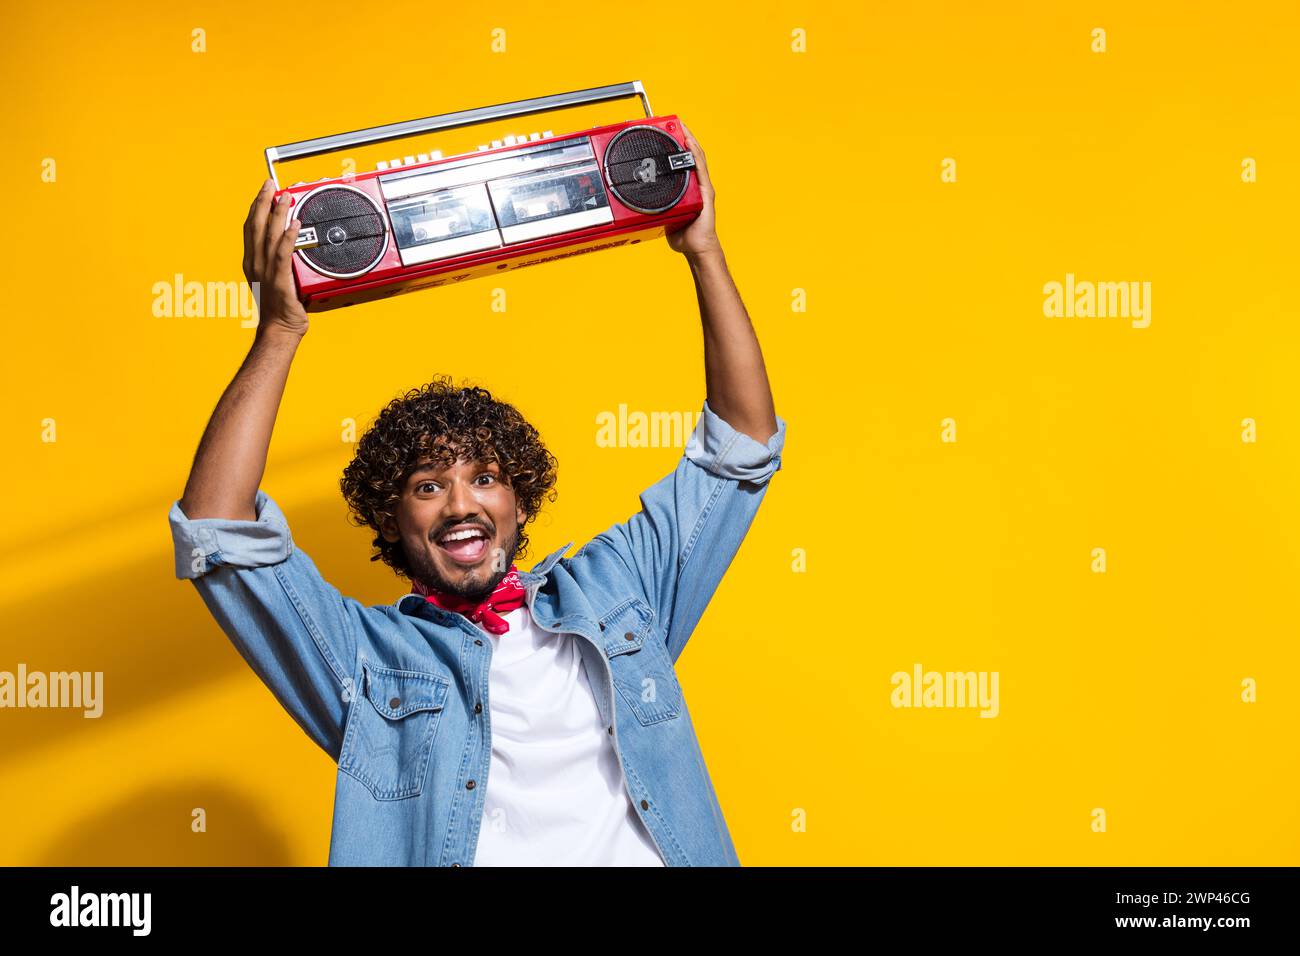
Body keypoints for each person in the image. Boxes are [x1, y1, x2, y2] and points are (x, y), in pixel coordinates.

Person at [168, 125, 787, 866]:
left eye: (484, 478)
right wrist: (279, 329)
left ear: (520, 502)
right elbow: (216, 526)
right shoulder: (364, 662)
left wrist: (704, 253)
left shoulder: (620, 587)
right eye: (427, 487)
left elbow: (741, 447)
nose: (461, 504)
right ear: (393, 524)